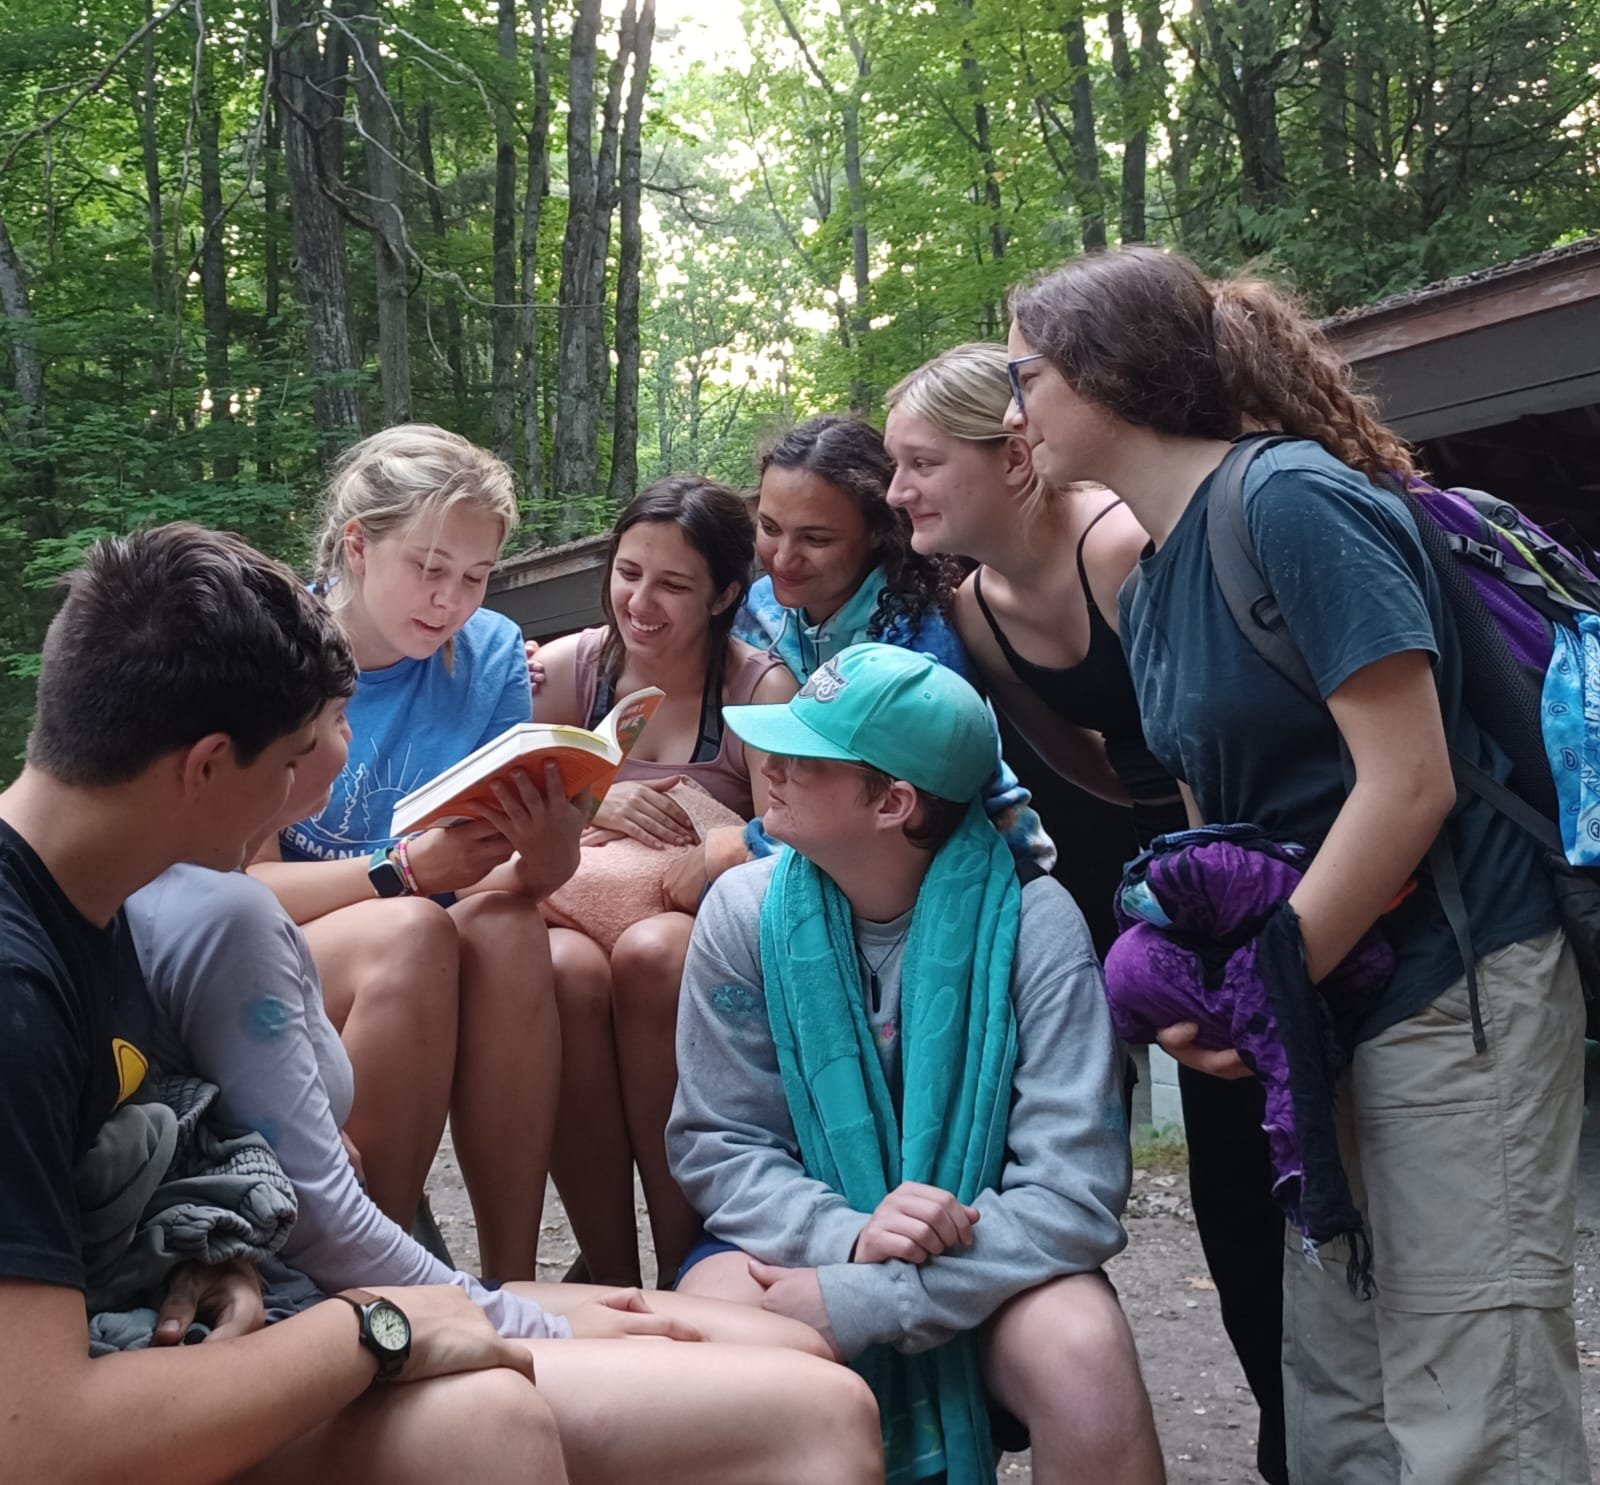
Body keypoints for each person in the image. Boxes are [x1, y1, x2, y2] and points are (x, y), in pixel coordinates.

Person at [1007, 244, 1586, 1484]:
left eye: (1025, 375)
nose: (1014, 411)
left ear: (1107, 376)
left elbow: (1409, 780)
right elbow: (1225, 830)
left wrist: (1259, 994)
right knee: (1341, 1404)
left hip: (1455, 979)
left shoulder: (1291, 501)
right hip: (1328, 1007)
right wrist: (1212, 980)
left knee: (1469, 1396)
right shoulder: (1154, 577)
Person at [124, 673, 893, 1485]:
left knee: (802, 1351)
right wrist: (523, 1323)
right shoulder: (217, 916)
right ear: (215, 762)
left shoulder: (184, 900)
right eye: (327, 728)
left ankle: (519, 1282)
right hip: (313, 1320)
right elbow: (326, 1229)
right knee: (821, 1412)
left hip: (299, 1294)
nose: (350, 745)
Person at [0, 522, 571, 1484]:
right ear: (208, 765)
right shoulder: (18, 987)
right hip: (73, 1418)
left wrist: (202, 1252)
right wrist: (373, 1327)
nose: (319, 779)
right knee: (494, 1422)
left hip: (152, 1326)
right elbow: (35, 1438)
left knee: (777, 1381)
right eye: (299, 753)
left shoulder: (90, 904)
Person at [883, 341, 1288, 1484]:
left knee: (1240, 1138)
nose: (898, 491)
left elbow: (1196, 727)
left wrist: (1198, 897)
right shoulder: (973, 609)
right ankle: (1045, 1388)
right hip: (1125, 862)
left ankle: (1297, 1432)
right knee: (1087, 1139)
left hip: (1226, 855)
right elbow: (1083, 768)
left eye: (920, 463)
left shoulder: (1118, 544)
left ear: (1011, 456)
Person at [669, 643, 1166, 1485]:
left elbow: (1072, 1192)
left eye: (802, 756)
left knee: (1085, 1352)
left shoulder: (1034, 926)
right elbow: (720, 1142)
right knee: (709, 1344)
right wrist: (849, 1235)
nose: (770, 767)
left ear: (893, 801)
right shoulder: (742, 912)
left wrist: (881, 1292)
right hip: (802, 1237)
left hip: (985, 1254)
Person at [250, 424, 564, 1280]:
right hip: (290, 938)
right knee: (416, 928)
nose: (451, 601)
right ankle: (370, 1275)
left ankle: (509, 1280)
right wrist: (405, 875)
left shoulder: (493, 653)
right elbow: (240, 894)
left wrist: (547, 853)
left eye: (475, 576)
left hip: (436, 925)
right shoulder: (274, 651)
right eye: (429, 568)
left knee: (507, 925)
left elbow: (506, 876)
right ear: (357, 544)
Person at [733, 413, 1055, 873]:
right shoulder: (759, 609)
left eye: (816, 538)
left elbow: (907, 814)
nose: (783, 557)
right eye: (769, 527)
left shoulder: (919, 645)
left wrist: (741, 847)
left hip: (969, 862)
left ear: (878, 532)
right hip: (818, 847)